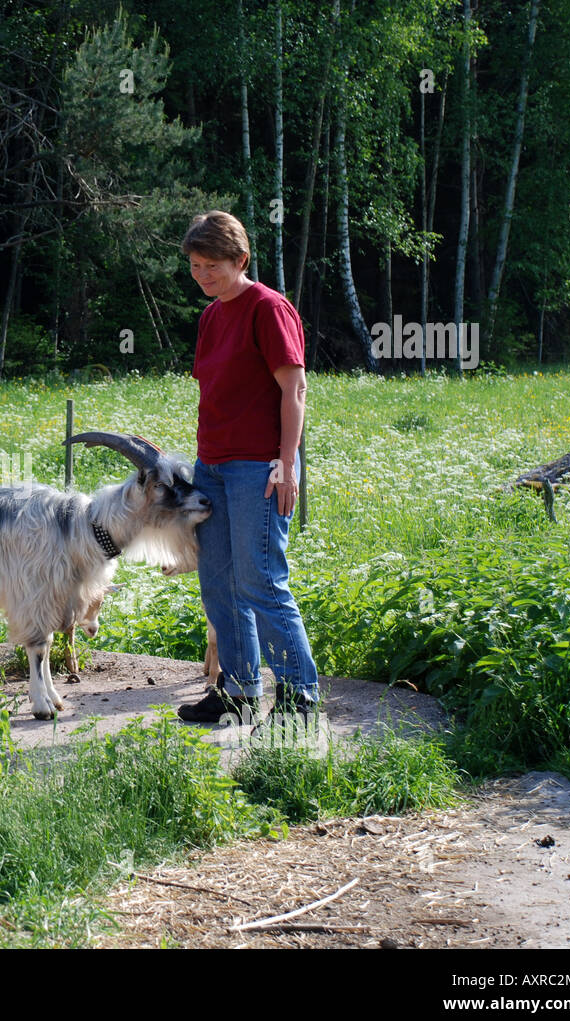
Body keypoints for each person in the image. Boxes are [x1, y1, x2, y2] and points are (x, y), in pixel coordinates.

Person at [176, 210, 320, 731]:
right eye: (194, 265)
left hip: (259, 466)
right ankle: (237, 692)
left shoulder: (269, 308)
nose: (202, 275)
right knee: (218, 583)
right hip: (211, 467)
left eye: (212, 265)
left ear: (242, 260)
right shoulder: (212, 317)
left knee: (261, 581)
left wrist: (286, 464)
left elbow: (294, 390)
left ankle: (299, 698)